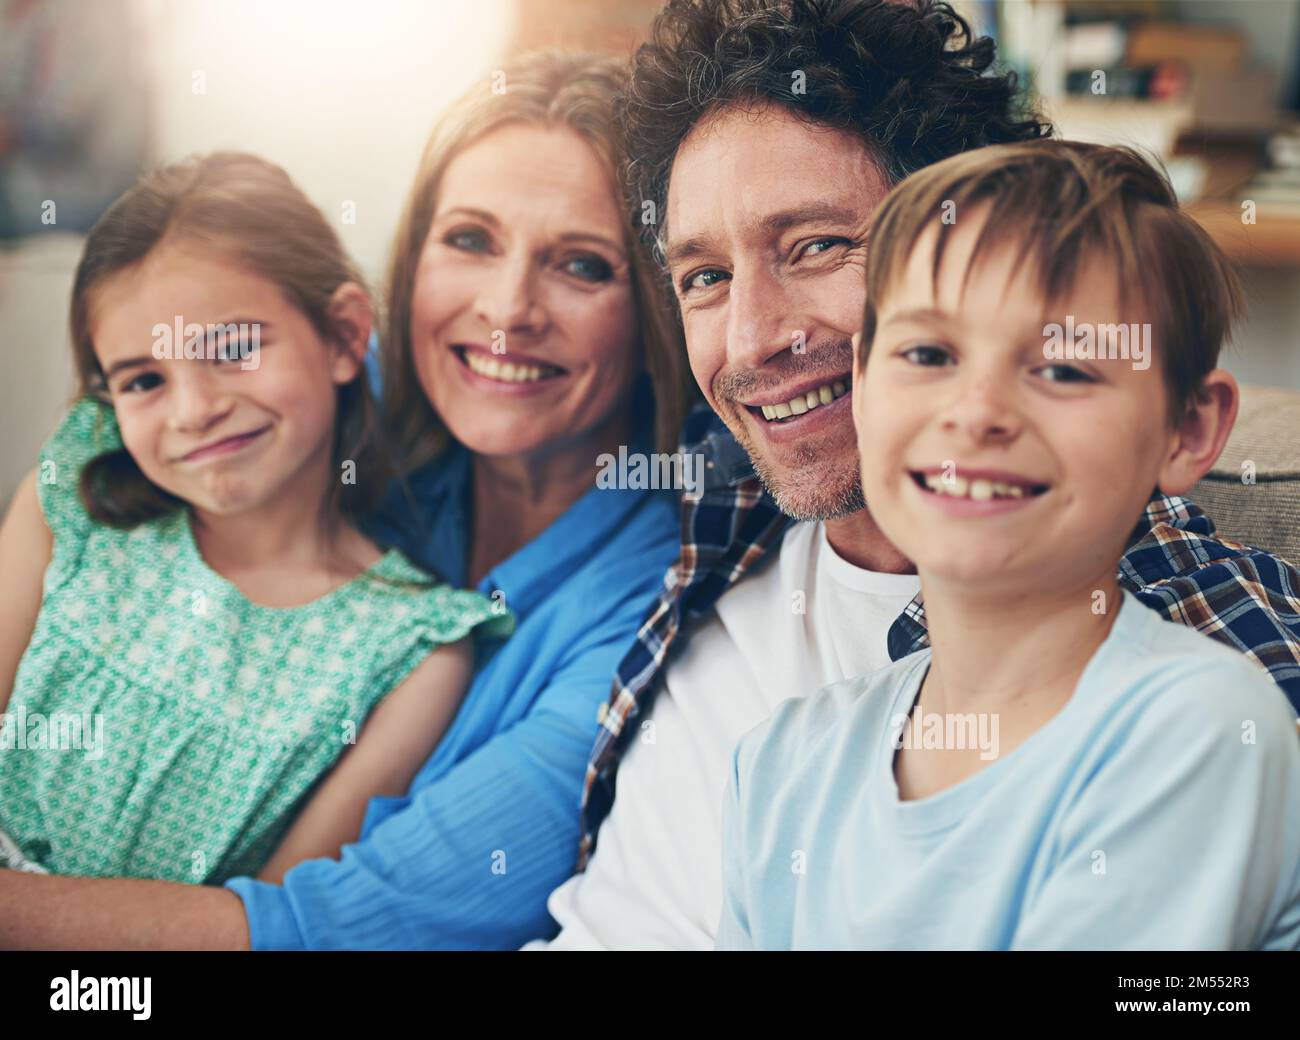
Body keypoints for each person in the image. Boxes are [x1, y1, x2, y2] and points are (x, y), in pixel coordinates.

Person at [540, 0, 1300, 950]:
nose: (751, 339)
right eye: (704, 275)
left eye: (816, 245)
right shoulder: (718, 570)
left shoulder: (1208, 675)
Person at [0, 51, 689, 950]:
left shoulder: (641, 621)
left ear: (657, 313)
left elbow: (326, 926)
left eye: (584, 266)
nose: (507, 310)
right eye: (471, 240)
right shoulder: (326, 396)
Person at [717, 140, 1300, 950]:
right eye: (927, 355)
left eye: (1062, 369)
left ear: (1188, 429)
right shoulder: (783, 764)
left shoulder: (1198, 728)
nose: (977, 412)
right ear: (864, 380)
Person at [0, 151, 508, 885]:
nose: (194, 410)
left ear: (342, 336)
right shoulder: (74, 493)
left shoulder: (414, 652)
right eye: (145, 379)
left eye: (232, 350)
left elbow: (266, 924)